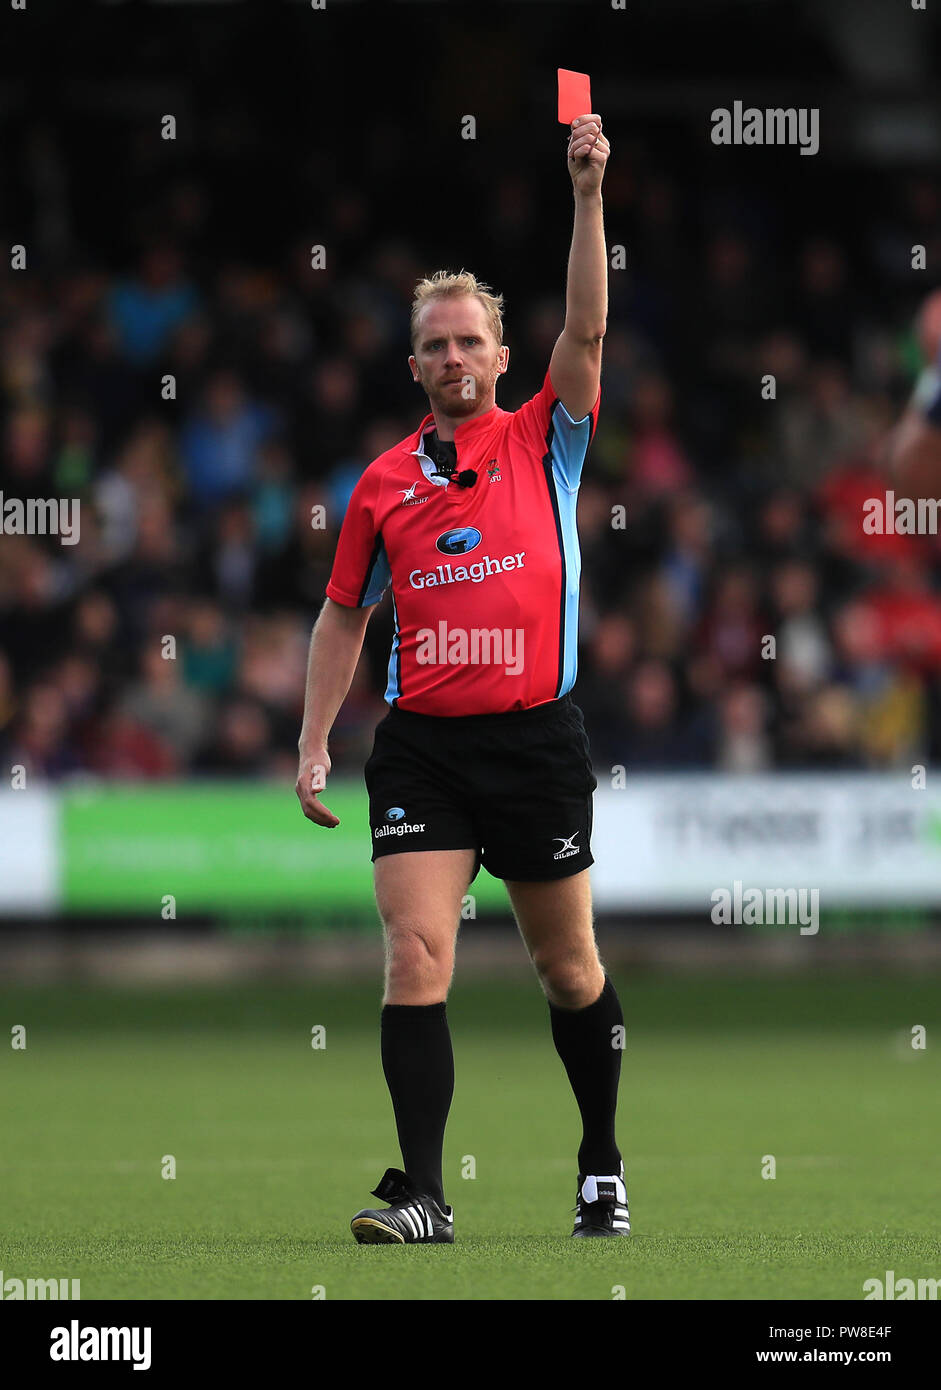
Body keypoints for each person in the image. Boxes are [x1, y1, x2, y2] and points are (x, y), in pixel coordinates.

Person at [296, 114, 629, 1242]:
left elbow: (585, 324)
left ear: (498, 354)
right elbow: (343, 614)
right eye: (432, 345)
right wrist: (313, 736)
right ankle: (425, 1191)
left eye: (468, 341)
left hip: (535, 742)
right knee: (413, 950)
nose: (450, 358)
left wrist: (584, 194)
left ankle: (598, 1162)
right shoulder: (382, 485)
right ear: (412, 366)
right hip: (424, 750)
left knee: (568, 969)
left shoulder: (546, 437)